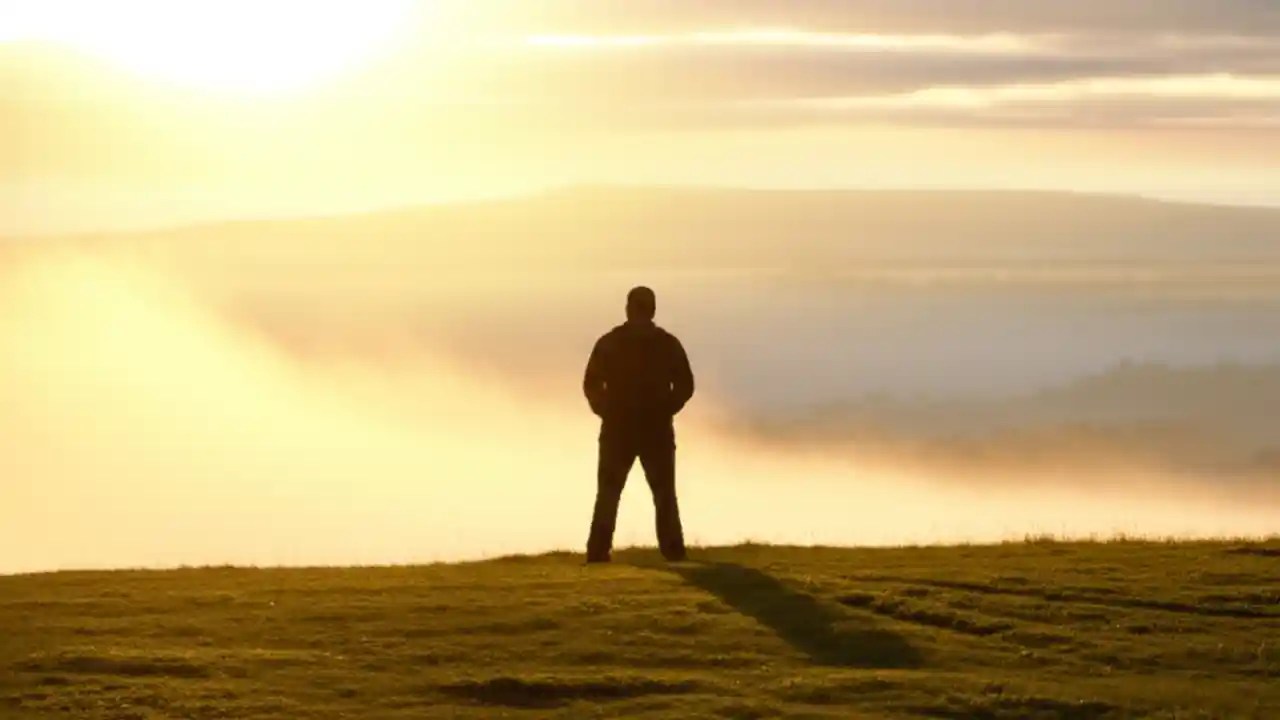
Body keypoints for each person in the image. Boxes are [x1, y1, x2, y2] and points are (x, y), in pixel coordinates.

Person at [583, 286, 694, 563]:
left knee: (610, 493)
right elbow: (685, 385)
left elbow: (591, 383)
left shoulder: (610, 343)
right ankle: (672, 551)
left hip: (620, 431)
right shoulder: (667, 344)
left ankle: (598, 551)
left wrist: (606, 410)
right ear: (653, 310)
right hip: (652, 431)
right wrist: (665, 409)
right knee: (663, 494)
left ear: (628, 309)